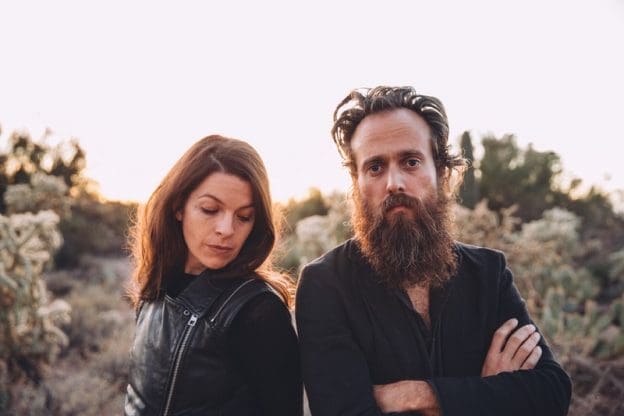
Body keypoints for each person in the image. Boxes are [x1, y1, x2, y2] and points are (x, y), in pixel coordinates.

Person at [295, 86, 572, 415]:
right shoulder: (326, 285)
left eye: (411, 162)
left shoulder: (488, 273)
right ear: (357, 183)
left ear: (441, 172)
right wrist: (486, 394)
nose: (394, 183)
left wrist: (416, 395)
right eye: (375, 168)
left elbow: (552, 393)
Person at [124, 135, 302, 416]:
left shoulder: (258, 311)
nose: (226, 229)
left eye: (244, 216)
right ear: (178, 206)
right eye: (210, 209)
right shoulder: (155, 288)